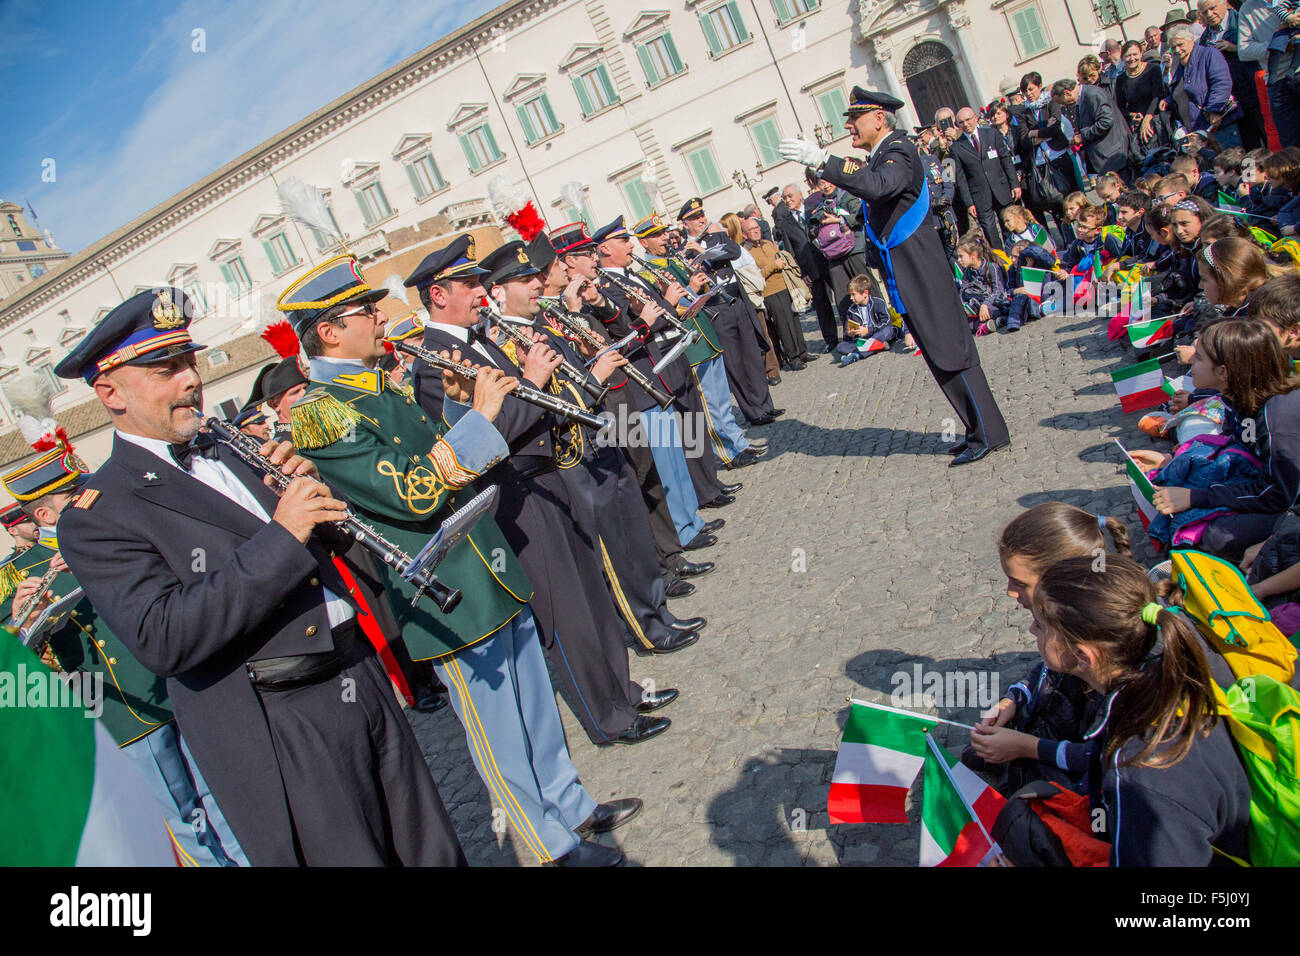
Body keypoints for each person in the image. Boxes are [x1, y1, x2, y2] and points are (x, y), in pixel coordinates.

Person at [54, 287, 465, 866]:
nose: (189, 380)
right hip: (280, 715)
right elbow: (164, 635)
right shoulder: (101, 514)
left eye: (189, 362)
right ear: (110, 393)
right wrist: (283, 532)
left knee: (432, 849)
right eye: (166, 370)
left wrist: (317, 502)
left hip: (355, 671)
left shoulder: (226, 448)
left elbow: (325, 545)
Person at [284, 249, 648, 864]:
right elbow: (413, 492)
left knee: (534, 709)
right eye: (367, 313)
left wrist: (458, 404)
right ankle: (548, 848)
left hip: (489, 567)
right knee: (500, 734)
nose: (381, 319)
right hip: (443, 590)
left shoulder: (376, 386)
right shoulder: (323, 414)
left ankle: (572, 805)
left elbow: (447, 453)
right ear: (329, 331)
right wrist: (481, 413)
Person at [1, 437, 248, 867]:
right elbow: (15, 656)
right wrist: (24, 615)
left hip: (176, 677)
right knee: (184, 812)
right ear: (42, 515)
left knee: (225, 791)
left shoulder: (115, 527)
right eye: (73, 495)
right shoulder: (18, 575)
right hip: (117, 705)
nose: (88, 495)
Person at [780, 88, 1011, 466]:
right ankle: (976, 429)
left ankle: (989, 430)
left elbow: (877, 186)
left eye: (856, 118)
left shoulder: (899, 150)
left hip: (921, 267)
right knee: (937, 353)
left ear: (879, 119)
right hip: (906, 268)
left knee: (951, 349)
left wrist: (825, 160)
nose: (848, 125)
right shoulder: (882, 154)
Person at [1026, 556, 1252, 866]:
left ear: (1082, 656)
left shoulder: (1140, 769)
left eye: (1040, 625)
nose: (1031, 628)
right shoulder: (1172, 663)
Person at [1136, 318, 1300, 561]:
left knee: (1218, 537)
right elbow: (1241, 450)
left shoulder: (1276, 418)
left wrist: (1197, 497)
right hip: (1264, 487)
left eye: (1199, 357)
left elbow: (1279, 494)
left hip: (1289, 507)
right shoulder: (1239, 399)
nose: (1191, 360)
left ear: (1223, 372)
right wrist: (1169, 459)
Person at [632, 212, 768, 469]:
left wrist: (699, 281)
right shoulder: (647, 274)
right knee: (710, 403)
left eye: (663, 232)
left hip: (707, 333)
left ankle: (738, 441)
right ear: (643, 243)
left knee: (723, 399)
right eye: (656, 236)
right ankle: (726, 452)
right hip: (690, 343)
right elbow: (672, 308)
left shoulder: (671, 261)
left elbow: (695, 295)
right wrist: (693, 287)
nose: (663, 238)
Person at [679, 199, 781, 426]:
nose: (702, 220)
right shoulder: (684, 250)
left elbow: (734, 252)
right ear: (686, 224)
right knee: (735, 361)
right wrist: (698, 254)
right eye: (695, 218)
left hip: (736, 297)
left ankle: (766, 405)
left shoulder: (714, 237)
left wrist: (704, 252)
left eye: (702, 215)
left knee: (752, 354)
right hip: (715, 304)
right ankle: (753, 412)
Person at [773, 182, 839, 351]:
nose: (787, 200)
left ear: (800, 195)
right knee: (822, 306)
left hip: (827, 259)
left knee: (840, 294)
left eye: (790, 196)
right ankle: (830, 339)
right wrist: (801, 273)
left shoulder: (814, 208)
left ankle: (850, 330)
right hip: (809, 268)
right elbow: (790, 251)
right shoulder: (785, 223)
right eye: (784, 198)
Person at [742, 214, 812, 369]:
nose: (756, 231)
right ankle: (792, 357)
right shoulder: (746, 253)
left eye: (757, 228)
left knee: (794, 319)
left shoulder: (767, 243)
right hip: (770, 292)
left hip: (785, 286)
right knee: (783, 325)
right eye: (751, 230)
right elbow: (755, 277)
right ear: (744, 234)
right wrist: (774, 266)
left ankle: (802, 352)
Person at [948, 105, 1020, 249]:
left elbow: (1005, 160)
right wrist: (969, 203)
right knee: (990, 233)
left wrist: (1015, 184)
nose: (966, 124)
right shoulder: (956, 147)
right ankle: (1001, 261)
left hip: (1001, 189)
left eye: (968, 120)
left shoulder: (991, 134)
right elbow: (960, 178)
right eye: (961, 122)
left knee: (1010, 226)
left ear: (975, 118)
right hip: (979, 197)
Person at [1163, 23, 1244, 148]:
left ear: (1191, 40)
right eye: (1173, 48)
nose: (1177, 50)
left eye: (1180, 45)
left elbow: (1221, 83)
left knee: (1233, 163)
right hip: (1199, 130)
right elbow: (1183, 91)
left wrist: (1215, 110)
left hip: (1218, 124)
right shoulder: (1182, 66)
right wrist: (1168, 100)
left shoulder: (1209, 54)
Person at [1051, 78, 1131, 178]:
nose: (1064, 106)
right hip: (1106, 155)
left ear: (1067, 93)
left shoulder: (1092, 94)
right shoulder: (1084, 97)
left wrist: (1082, 136)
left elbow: (1106, 121)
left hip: (1113, 153)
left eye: (1062, 102)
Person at [837, 274, 898, 365]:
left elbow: (886, 322)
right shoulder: (851, 310)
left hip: (877, 334)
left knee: (888, 330)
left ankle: (856, 355)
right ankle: (880, 346)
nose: (851, 298)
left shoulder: (878, 302)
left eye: (854, 295)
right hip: (863, 339)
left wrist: (868, 330)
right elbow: (846, 335)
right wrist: (850, 334)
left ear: (865, 293)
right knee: (841, 346)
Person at [1117, 40, 1164, 144]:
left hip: (1158, 120)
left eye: (1135, 54)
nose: (1132, 58)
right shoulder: (1120, 80)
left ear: (1141, 54)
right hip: (1138, 126)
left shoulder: (1153, 69)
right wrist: (1131, 115)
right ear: (1122, 58)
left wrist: (1148, 118)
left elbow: (1158, 95)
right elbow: (1120, 107)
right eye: (1128, 56)